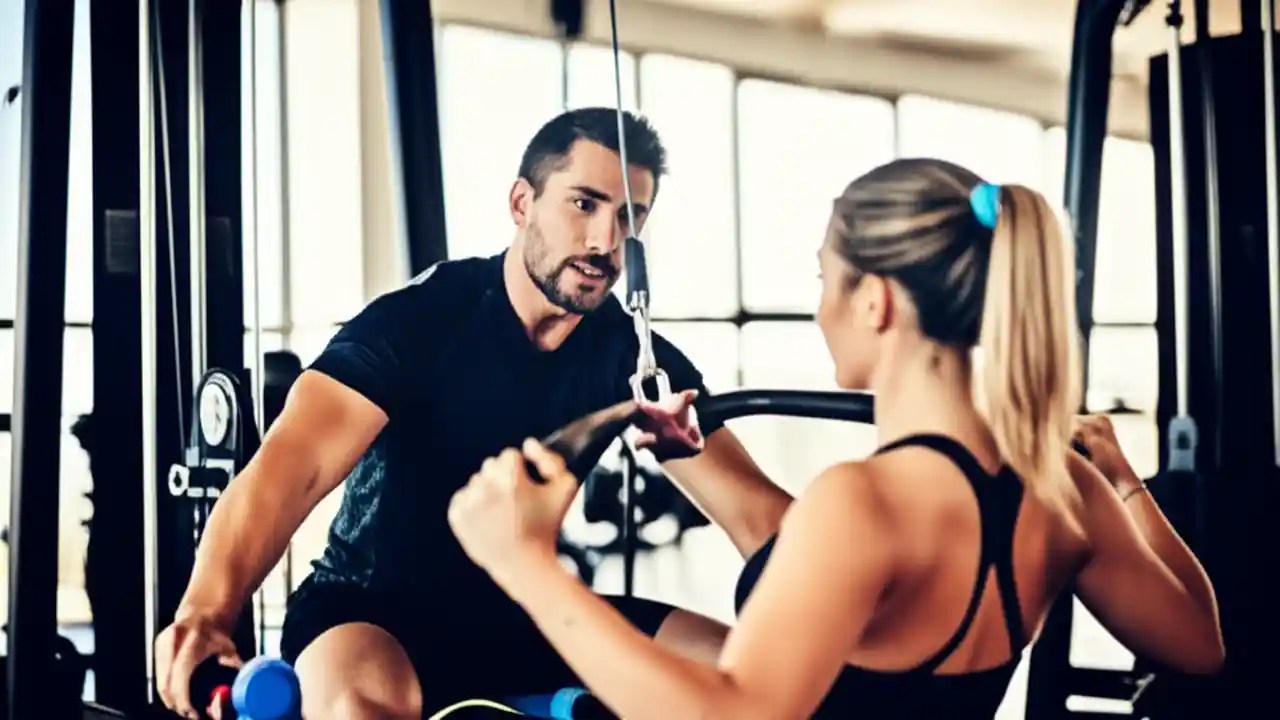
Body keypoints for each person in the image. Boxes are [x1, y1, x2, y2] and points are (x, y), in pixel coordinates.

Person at [449, 158, 1226, 719]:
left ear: (877, 302)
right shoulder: (1065, 489)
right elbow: (1201, 646)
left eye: (825, 280)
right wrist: (1124, 477)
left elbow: (737, 714)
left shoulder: (862, 502)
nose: (821, 309)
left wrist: (528, 566)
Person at [152, 107, 793, 720]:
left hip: (524, 607)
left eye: (630, 216)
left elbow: (758, 515)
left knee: (742, 681)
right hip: (368, 612)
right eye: (584, 203)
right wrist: (208, 612)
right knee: (363, 706)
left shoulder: (634, 353)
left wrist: (864, 616)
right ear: (522, 204)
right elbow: (291, 471)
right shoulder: (418, 321)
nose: (606, 240)